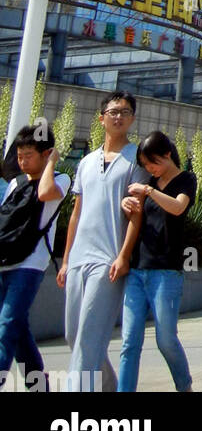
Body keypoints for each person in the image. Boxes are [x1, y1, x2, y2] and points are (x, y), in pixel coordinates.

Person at [57, 90, 140, 392]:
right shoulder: (86, 162)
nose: (119, 116)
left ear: (132, 119)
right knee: (73, 336)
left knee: (89, 340)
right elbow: (76, 214)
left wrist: (124, 255)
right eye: (114, 111)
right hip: (79, 258)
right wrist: (66, 259)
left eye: (126, 112)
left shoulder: (135, 159)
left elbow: (136, 214)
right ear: (101, 117)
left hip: (108, 261)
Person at [118, 131, 197, 392]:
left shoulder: (186, 179)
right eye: (145, 166)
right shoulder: (149, 184)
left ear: (166, 155)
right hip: (138, 271)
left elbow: (178, 207)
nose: (149, 169)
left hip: (167, 272)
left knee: (165, 339)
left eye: (152, 162)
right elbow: (137, 217)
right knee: (129, 342)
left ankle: (184, 385)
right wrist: (128, 202)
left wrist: (149, 191)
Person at [0, 124, 69, 391]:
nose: (22, 160)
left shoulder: (60, 179)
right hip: (6, 258)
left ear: (46, 153)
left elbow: (44, 193)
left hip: (31, 263)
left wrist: (51, 162)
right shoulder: (16, 183)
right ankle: (39, 386)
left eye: (29, 154)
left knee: (7, 325)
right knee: (18, 328)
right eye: (19, 155)